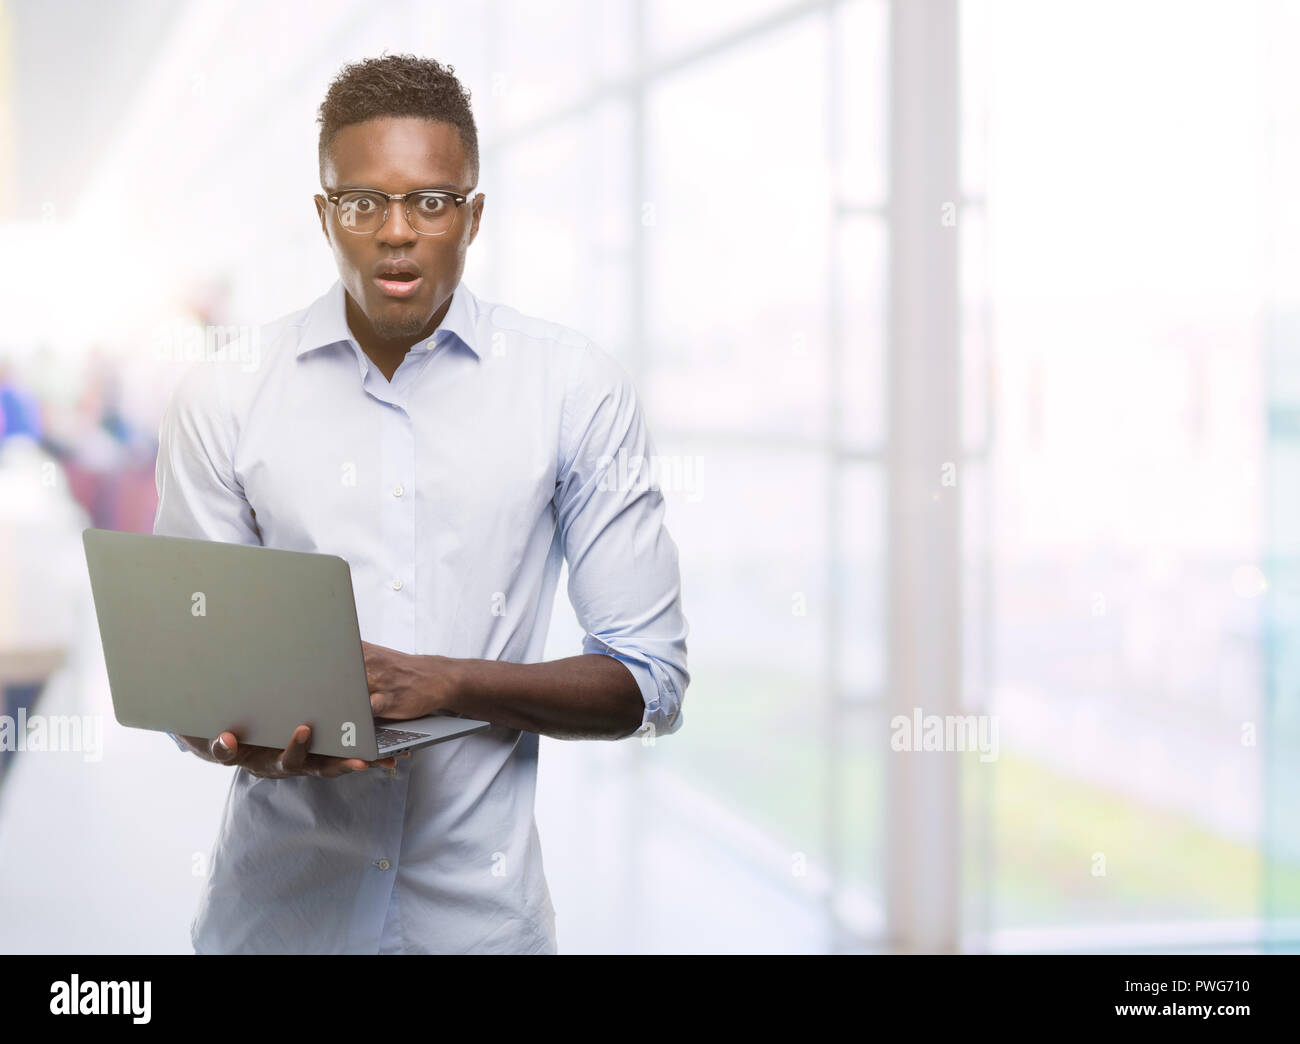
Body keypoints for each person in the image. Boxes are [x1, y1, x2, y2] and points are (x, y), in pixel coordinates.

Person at [156, 54, 689, 954]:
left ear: (472, 215)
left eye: (431, 202)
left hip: (479, 929)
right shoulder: (225, 396)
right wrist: (232, 740)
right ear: (326, 217)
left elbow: (648, 682)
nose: (396, 232)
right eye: (363, 202)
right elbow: (194, 692)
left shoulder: (572, 388)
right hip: (276, 923)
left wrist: (449, 682)